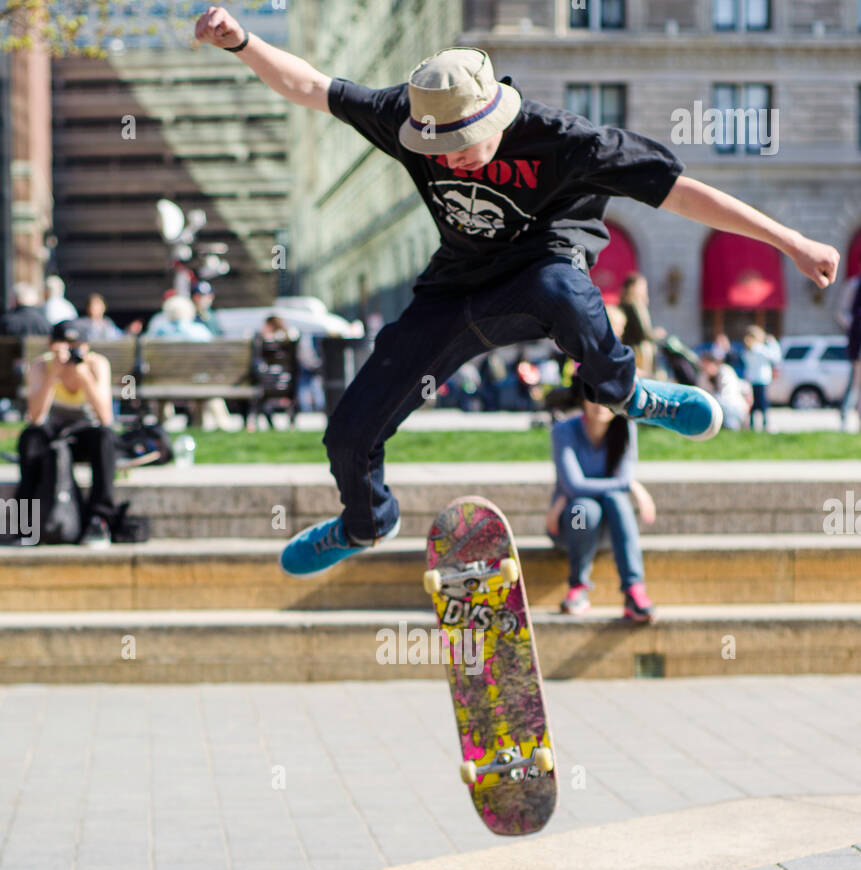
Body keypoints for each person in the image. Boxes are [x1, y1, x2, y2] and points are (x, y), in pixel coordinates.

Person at [193, 8, 839, 576]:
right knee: (349, 432)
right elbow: (310, 86)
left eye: (462, 146)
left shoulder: (569, 141)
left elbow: (682, 193)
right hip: (455, 293)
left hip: (540, 274)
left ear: (494, 115)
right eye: (435, 150)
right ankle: (365, 522)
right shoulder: (408, 114)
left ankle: (624, 391)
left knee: (562, 286)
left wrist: (788, 241)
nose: (448, 160)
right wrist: (241, 41)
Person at [546, 377, 655, 622]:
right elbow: (574, 484)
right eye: (593, 397)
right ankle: (578, 586)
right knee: (583, 509)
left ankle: (634, 591)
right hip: (571, 527)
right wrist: (629, 485)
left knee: (617, 501)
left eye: (608, 399)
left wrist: (574, 492)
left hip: (610, 530)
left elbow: (577, 486)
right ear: (582, 400)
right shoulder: (564, 431)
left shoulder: (626, 429)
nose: (600, 404)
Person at [17, 320, 118, 546]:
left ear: (87, 346)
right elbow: (35, 417)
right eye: (64, 345)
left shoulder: (96, 364)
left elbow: (106, 418)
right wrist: (54, 376)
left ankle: (99, 518)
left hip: (85, 435)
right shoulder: (42, 366)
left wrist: (84, 378)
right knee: (30, 437)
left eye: (76, 345)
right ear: (52, 346)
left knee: (106, 438)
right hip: (53, 435)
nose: (70, 351)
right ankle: (25, 522)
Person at [619, 273, 665, 377]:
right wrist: (656, 334)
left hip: (639, 350)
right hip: (637, 351)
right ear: (632, 287)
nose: (644, 290)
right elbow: (642, 333)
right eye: (641, 287)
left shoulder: (636, 305)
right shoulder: (631, 306)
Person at [740, 324, 781, 431]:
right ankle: (764, 424)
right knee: (763, 403)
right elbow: (775, 357)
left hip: (752, 378)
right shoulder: (760, 349)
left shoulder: (748, 350)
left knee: (754, 403)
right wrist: (773, 343)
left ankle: (752, 423)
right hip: (761, 379)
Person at [837, 273, 861, 431]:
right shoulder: (855, 284)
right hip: (859, 338)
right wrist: (855, 325)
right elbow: (842, 312)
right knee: (857, 383)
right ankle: (846, 418)